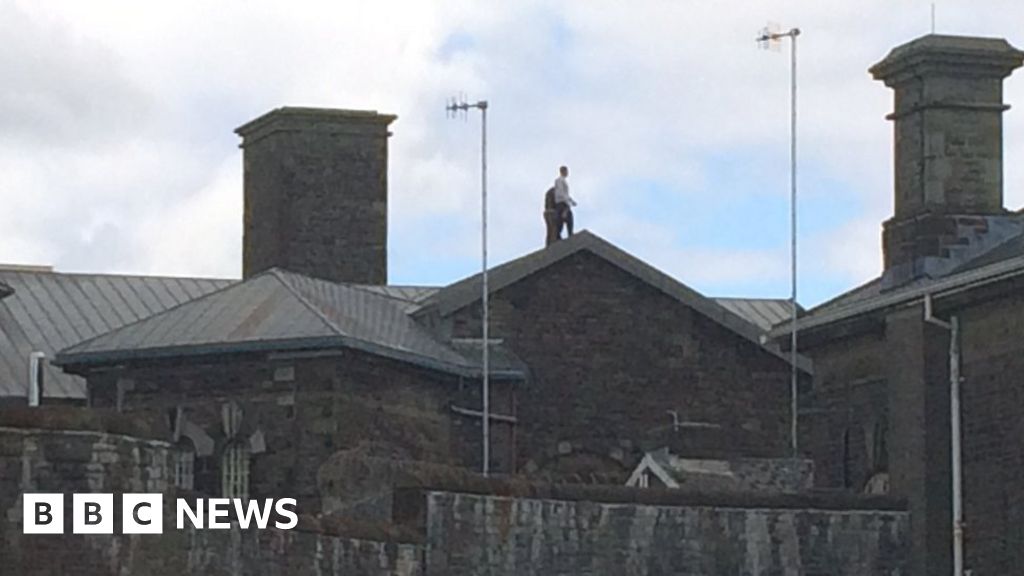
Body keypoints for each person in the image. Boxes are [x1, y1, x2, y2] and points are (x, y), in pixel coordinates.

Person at [552, 165, 576, 239]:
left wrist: (572, 201)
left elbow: (565, 194)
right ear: (563, 171)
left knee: (565, 220)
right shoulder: (559, 180)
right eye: (566, 171)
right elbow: (561, 192)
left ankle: (569, 235)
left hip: (564, 202)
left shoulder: (563, 181)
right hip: (561, 204)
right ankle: (561, 236)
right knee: (563, 221)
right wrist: (567, 202)